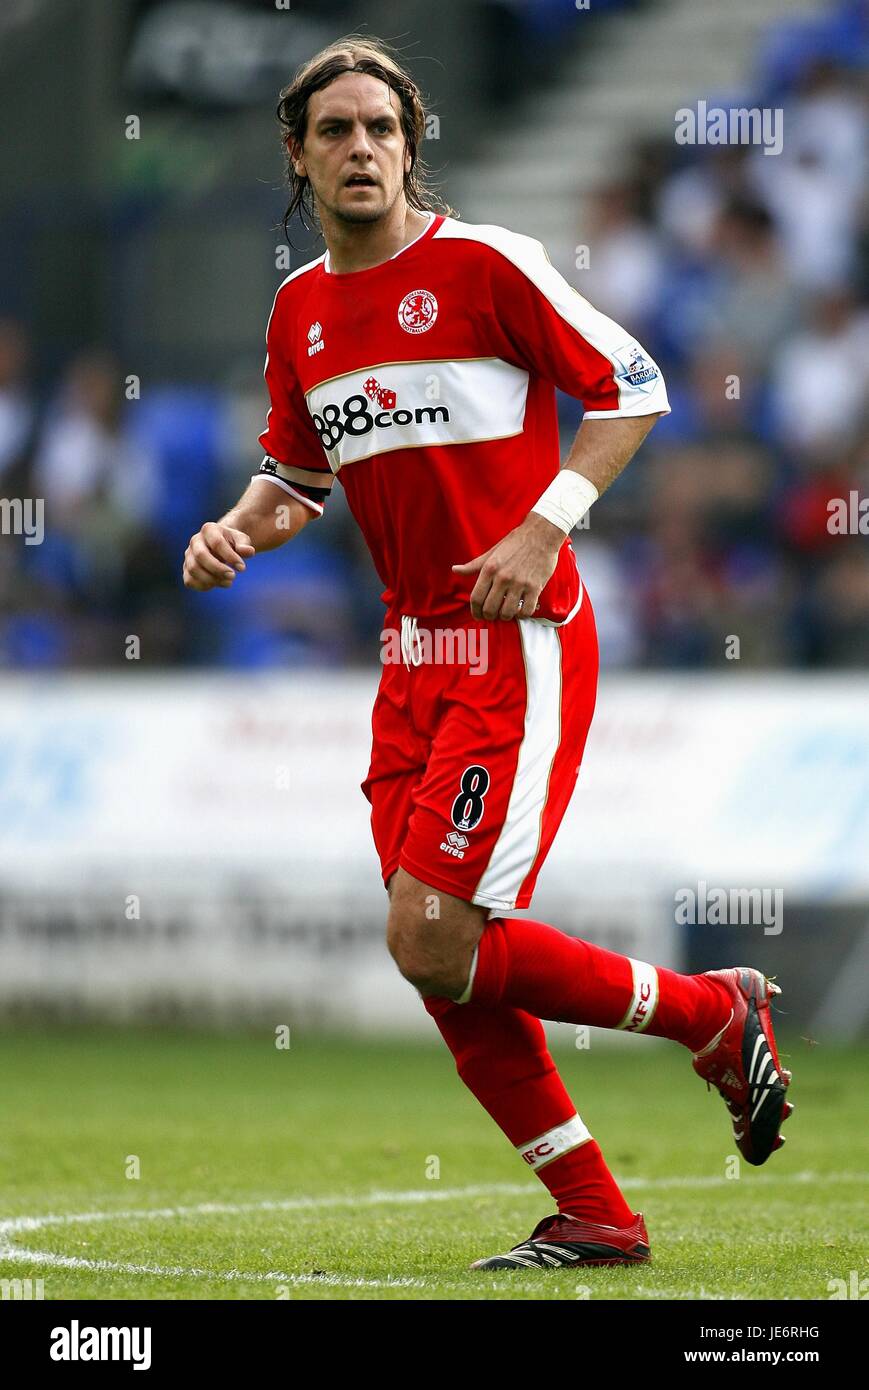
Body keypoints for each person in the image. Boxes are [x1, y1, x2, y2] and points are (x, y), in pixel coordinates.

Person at [182, 36, 793, 1271]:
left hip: (518, 647)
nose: (362, 148)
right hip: (408, 661)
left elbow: (630, 384)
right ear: (296, 156)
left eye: (382, 129)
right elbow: (299, 476)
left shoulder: (486, 266)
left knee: (429, 935)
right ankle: (595, 1214)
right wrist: (240, 528)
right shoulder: (298, 311)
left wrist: (543, 522)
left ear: (411, 146)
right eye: (335, 131)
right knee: (440, 960)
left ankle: (706, 1015)